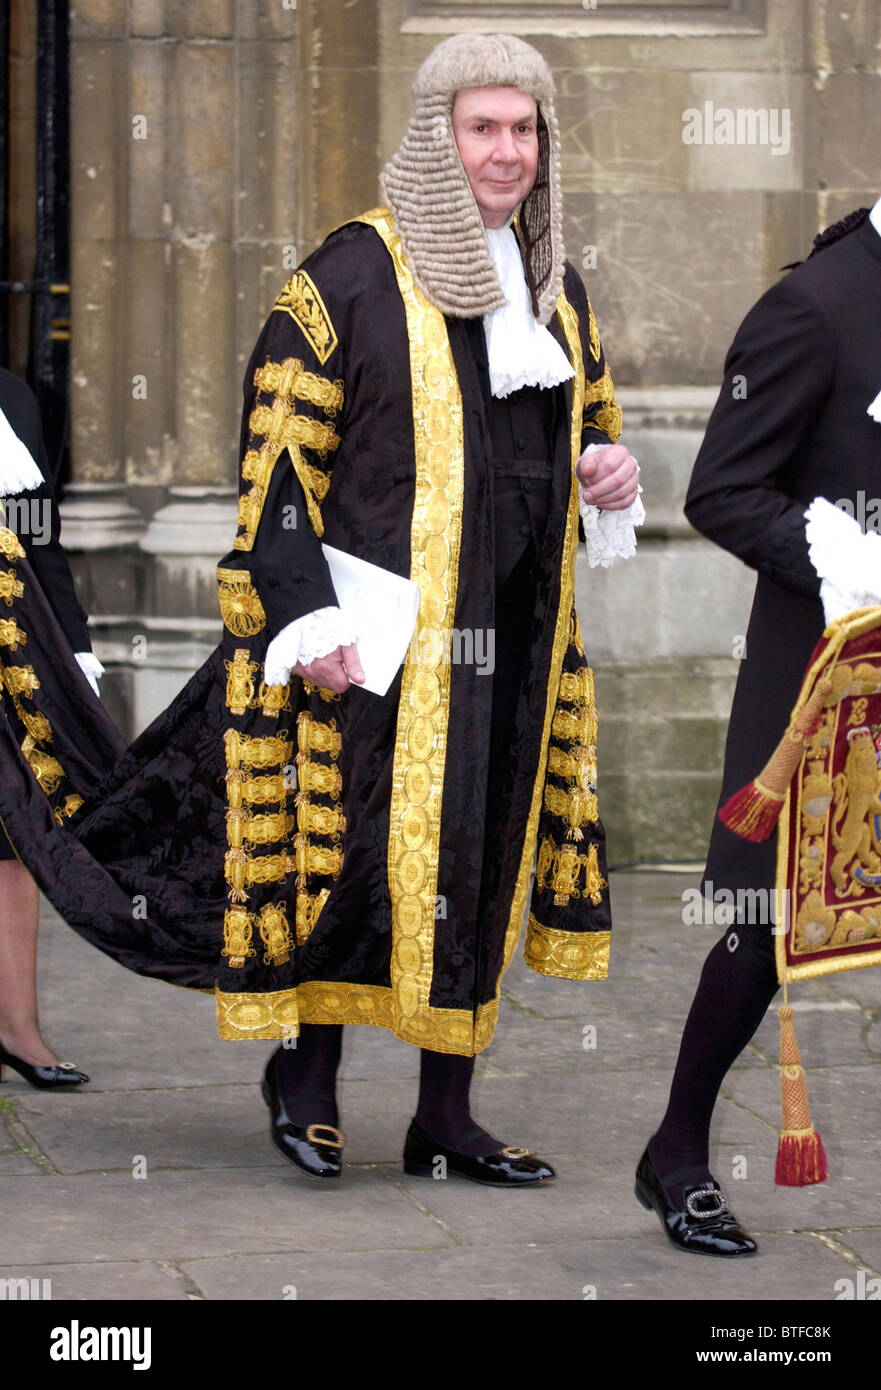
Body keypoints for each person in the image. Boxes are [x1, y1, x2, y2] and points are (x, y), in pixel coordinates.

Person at [0, 34, 639, 1183]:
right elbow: (273, 480)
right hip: (369, 642)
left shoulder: (556, 292)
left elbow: (583, 435)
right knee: (334, 863)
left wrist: (607, 470)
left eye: (523, 129)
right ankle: (305, 1082)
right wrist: (307, 625)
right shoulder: (342, 279)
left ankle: (445, 1114)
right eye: (482, 127)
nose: (506, 152)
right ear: (437, 137)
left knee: (476, 868)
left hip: (510, 651)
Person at [635, 198, 881, 1254]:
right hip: (823, 680)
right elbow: (721, 490)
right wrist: (852, 563)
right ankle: (675, 1154)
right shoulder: (812, 306)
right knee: (761, 925)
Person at [0, 368, 102, 1089]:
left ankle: (17, 1029)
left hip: (11, 653)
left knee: (10, 845)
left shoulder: (10, 395)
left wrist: (78, 650)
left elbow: (40, 540)